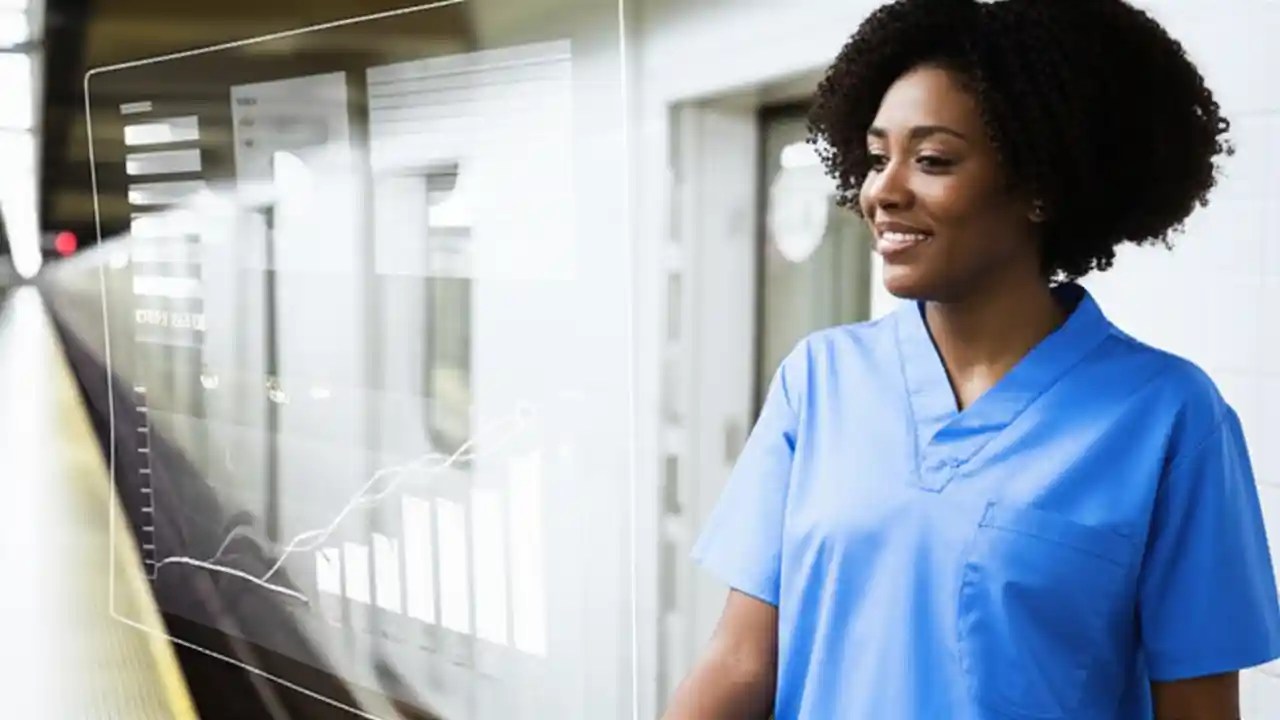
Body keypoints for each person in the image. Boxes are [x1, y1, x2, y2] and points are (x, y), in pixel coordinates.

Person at [660, 0, 1280, 718]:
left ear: (1042, 184)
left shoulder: (1168, 417)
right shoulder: (819, 381)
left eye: (931, 160)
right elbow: (740, 662)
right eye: (875, 157)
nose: (883, 192)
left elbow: (1198, 709)